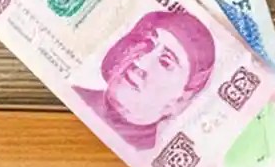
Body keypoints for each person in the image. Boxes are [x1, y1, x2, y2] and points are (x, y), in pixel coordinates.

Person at [73, 10, 216, 151]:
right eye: (148, 43)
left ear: (179, 101)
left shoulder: (147, 156)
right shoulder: (73, 96)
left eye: (165, 62)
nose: (140, 61)